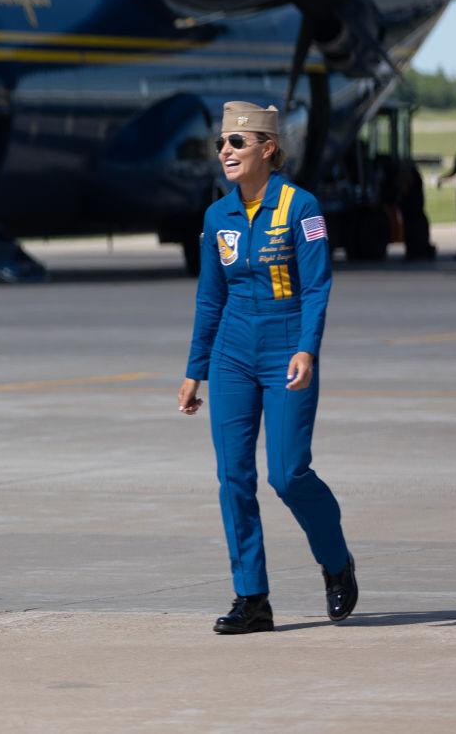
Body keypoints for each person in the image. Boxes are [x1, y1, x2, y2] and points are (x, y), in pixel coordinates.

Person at [178, 101, 357, 634]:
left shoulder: (303, 210)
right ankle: (251, 598)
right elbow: (209, 298)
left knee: (287, 472)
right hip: (232, 353)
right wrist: (195, 369)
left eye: (238, 143)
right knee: (233, 475)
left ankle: (335, 558)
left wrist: (307, 348)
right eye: (222, 144)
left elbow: (318, 286)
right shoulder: (218, 217)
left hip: (285, 349)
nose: (226, 152)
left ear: (268, 149)